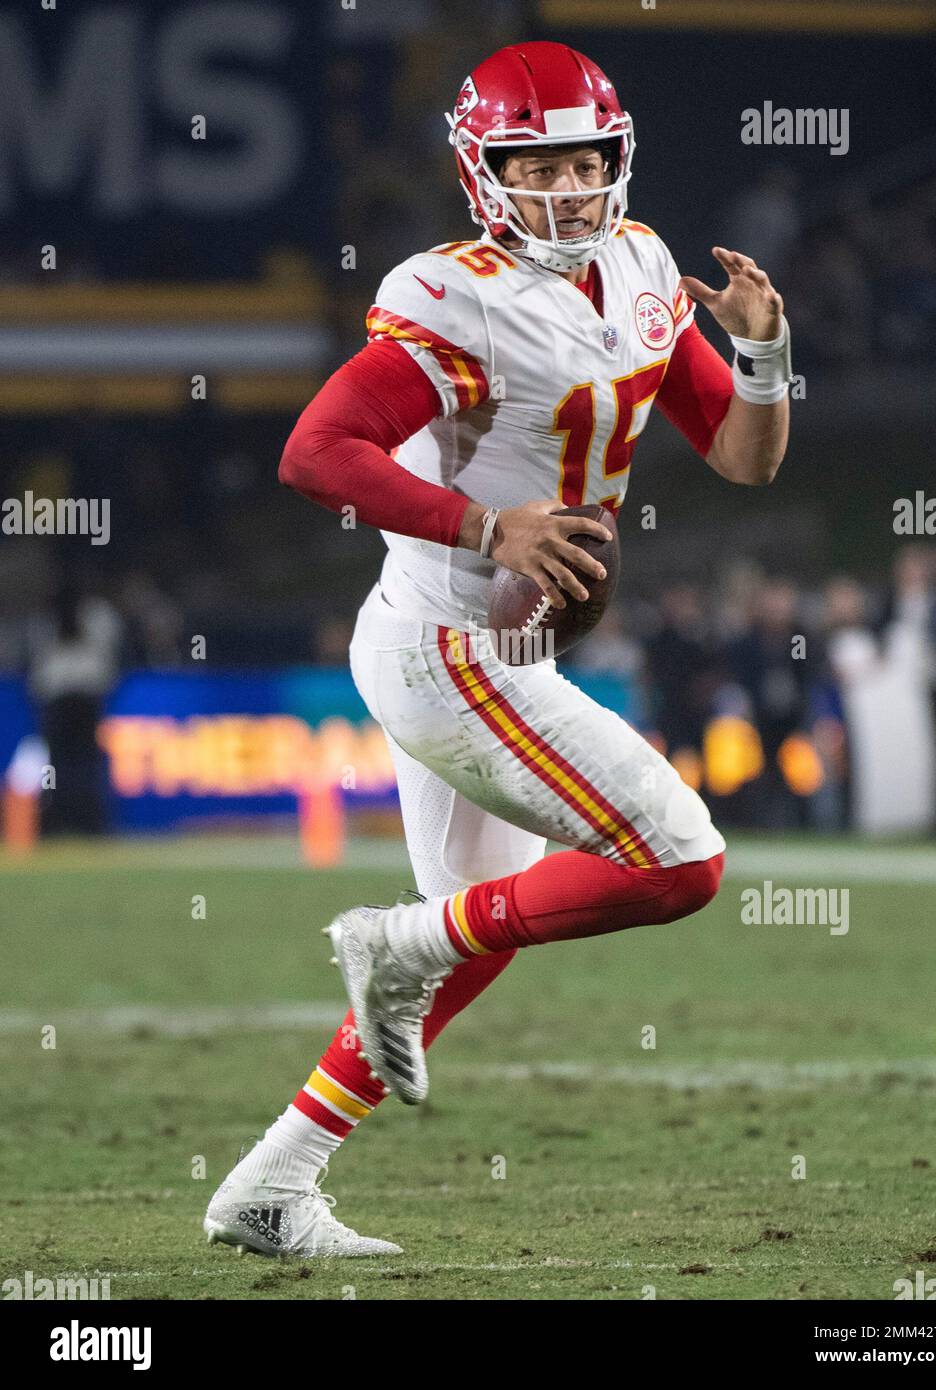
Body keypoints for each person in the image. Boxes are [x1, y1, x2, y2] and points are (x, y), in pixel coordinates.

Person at [204, 40, 792, 1258]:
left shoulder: (636, 267)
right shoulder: (453, 293)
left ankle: (271, 1184)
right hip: (449, 645)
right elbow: (316, 453)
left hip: (497, 652)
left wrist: (764, 353)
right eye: (540, 165)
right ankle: (391, 945)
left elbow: (742, 456)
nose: (570, 189)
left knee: (483, 926)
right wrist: (487, 522)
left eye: (587, 161)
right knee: (675, 862)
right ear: (485, 172)